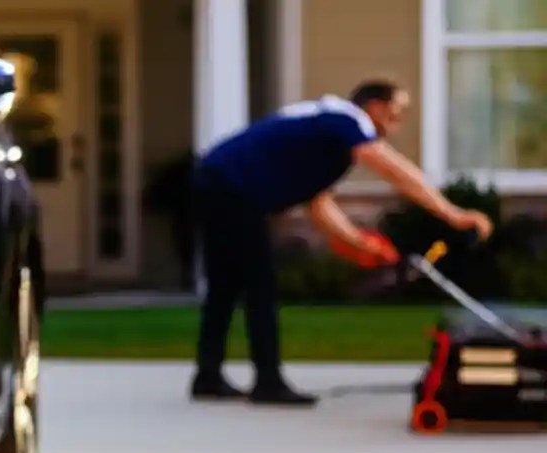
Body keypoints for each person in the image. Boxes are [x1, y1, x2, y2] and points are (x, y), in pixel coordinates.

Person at [189, 79, 492, 407]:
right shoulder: (347, 121)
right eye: (397, 111)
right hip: (232, 189)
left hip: (214, 180)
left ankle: (208, 376)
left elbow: (319, 205)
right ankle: (268, 382)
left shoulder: (326, 130)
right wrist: (453, 214)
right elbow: (392, 169)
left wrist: (362, 244)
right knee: (258, 285)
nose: (398, 121)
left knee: (225, 285)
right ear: (374, 106)